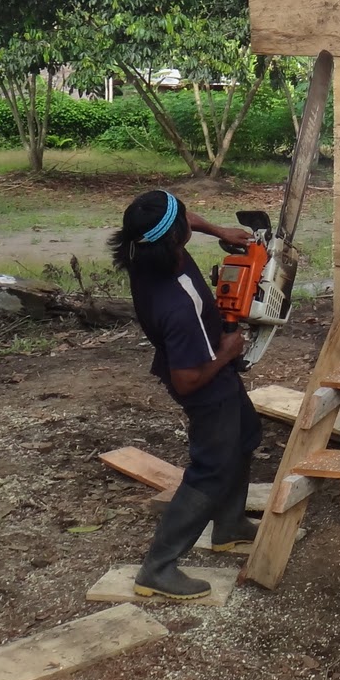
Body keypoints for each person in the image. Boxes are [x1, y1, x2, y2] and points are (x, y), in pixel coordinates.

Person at [110, 190, 261, 600]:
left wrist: (218, 230)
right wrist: (227, 351)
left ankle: (229, 527)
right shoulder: (179, 305)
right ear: (176, 239)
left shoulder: (145, 246)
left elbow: (182, 216)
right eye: (184, 224)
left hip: (208, 362)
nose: (187, 222)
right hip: (202, 379)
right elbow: (187, 381)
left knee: (247, 435)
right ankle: (157, 568)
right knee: (211, 468)